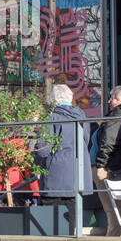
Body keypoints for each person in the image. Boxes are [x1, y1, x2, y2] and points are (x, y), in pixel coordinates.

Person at [33, 84, 94, 233]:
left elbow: (43, 149)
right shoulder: (82, 117)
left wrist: (35, 156)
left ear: (53, 100)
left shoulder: (52, 118)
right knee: (72, 217)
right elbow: (86, 141)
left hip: (56, 177)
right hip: (78, 174)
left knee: (52, 224)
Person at [93, 85, 121, 236]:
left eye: (112, 98)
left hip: (111, 168)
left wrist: (100, 165)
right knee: (119, 205)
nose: (108, 101)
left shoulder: (117, 115)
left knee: (111, 206)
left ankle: (115, 235)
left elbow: (108, 141)